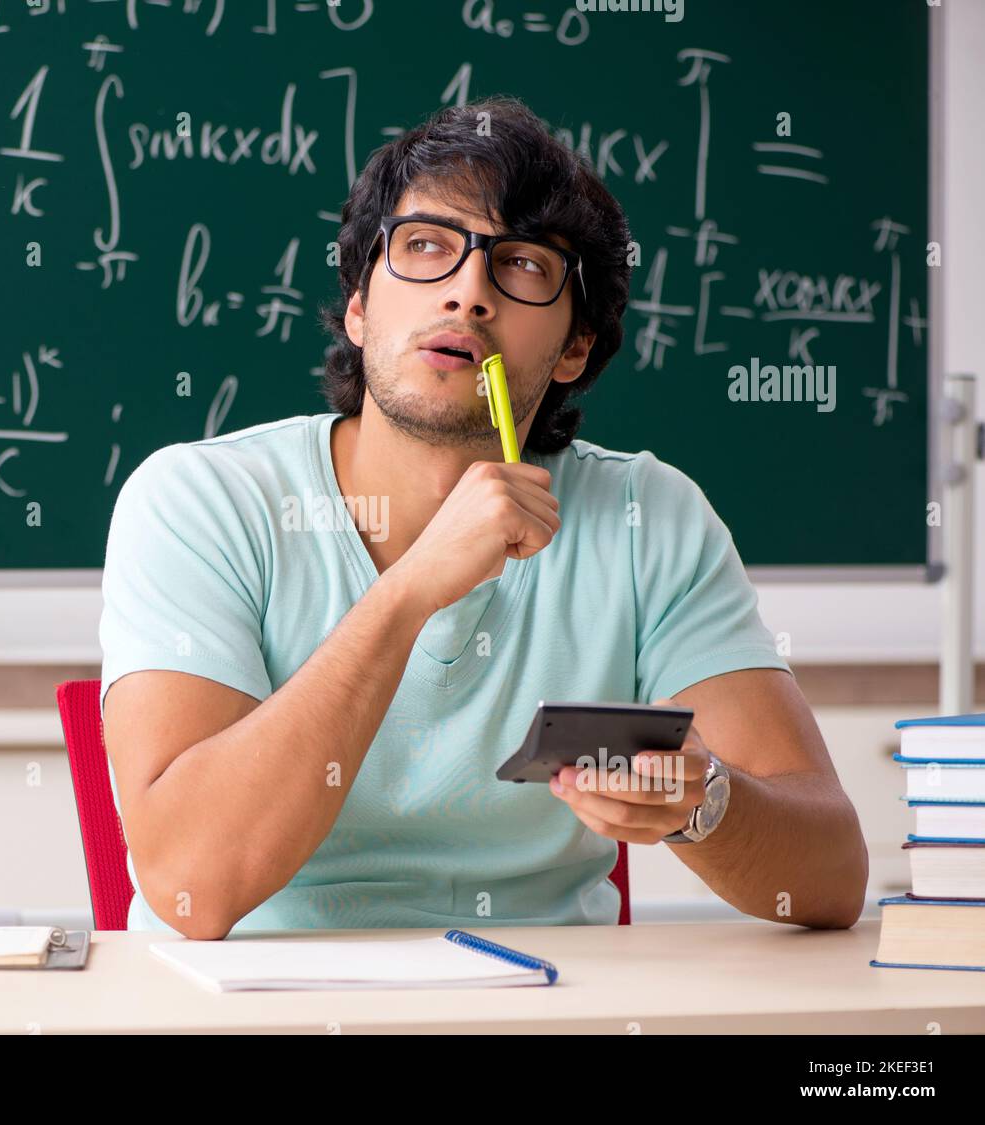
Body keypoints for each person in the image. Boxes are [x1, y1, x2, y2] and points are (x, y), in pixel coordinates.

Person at [98, 95, 867, 939]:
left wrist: (705, 802)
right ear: (359, 307)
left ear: (575, 346)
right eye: (425, 247)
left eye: (525, 265)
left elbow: (830, 878)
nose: (468, 293)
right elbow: (188, 891)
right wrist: (414, 588)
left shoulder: (651, 517)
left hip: (545, 1003)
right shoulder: (198, 502)